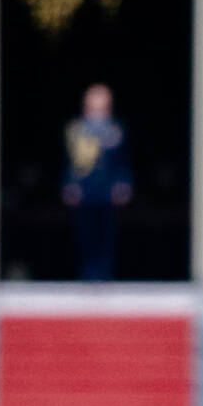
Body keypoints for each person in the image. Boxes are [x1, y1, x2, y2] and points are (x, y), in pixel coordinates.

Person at [60, 83, 131, 283]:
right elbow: (69, 161)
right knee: (85, 233)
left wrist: (123, 183)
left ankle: (105, 272)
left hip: (107, 190)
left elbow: (123, 160)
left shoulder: (115, 129)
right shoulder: (77, 129)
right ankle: (87, 272)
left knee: (107, 234)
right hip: (85, 189)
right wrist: (69, 184)